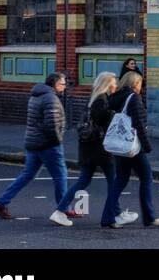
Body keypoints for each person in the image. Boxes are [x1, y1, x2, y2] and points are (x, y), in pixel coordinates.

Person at [54, 72, 137, 227]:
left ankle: (59, 212)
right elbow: (105, 122)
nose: (116, 86)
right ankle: (116, 214)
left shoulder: (95, 99)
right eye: (113, 83)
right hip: (99, 149)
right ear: (106, 84)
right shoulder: (101, 101)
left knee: (85, 180)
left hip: (89, 148)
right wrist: (115, 113)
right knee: (113, 181)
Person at [0, 72, 70, 223]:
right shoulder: (51, 98)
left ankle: (1, 203)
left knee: (27, 174)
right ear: (54, 84)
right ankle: (63, 209)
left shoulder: (36, 95)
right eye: (62, 83)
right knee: (60, 176)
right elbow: (51, 125)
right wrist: (58, 141)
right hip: (48, 144)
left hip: (33, 142)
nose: (64, 86)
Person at [99, 72, 159, 229]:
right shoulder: (133, 98)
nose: (141, 87)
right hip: (133, 146)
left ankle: (107, 217)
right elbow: (139, 125)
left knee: (120, 180)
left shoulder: (116, 97)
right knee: (146, 177)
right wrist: (147, 146)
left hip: (120, 144)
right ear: (135, 83)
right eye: (140, 83)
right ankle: (149, 217)